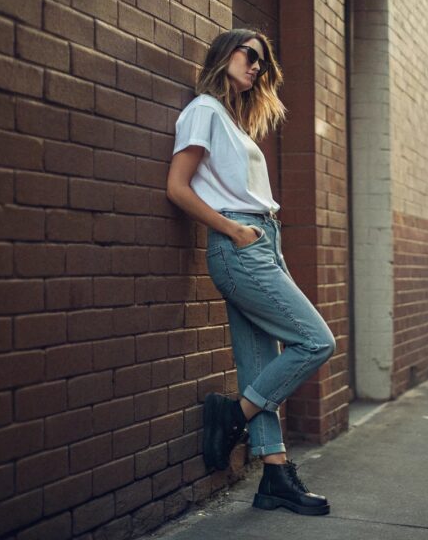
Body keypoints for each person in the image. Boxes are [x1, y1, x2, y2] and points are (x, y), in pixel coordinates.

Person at [166, 29, 336, 516]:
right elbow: (177, 187)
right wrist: (233, 231)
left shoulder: (231, 121)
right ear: (224, 54)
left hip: (260, 243)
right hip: (240, 246)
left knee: (261, 367)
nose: (258, 65)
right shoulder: (203, 110)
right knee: (315, 341)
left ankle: (275, 476)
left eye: (264, 61)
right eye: (251, 54)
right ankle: (232, 415)